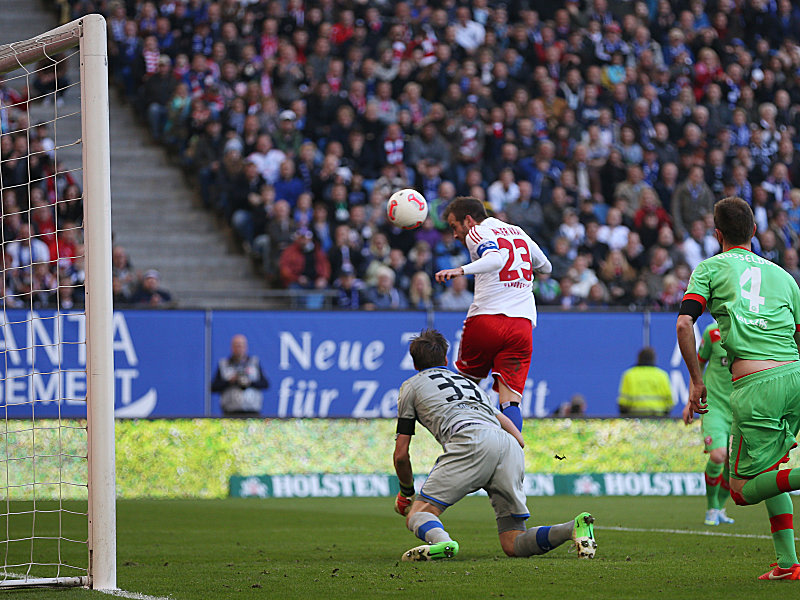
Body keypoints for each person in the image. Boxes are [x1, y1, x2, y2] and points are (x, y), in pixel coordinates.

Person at [392, 329, 596, 561]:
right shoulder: (469, 385)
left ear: (415, 363)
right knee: (513, 542)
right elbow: (514, 432)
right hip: (507, 444)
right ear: (446, 360)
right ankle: (573, 529)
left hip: (469, 439)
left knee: (418, 513)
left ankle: (442, 542)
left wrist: (406, 494)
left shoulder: (411, 386)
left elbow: (401, 454)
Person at [678, 196, 800, 580]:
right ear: (755, 232)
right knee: (772, 469)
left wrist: (697, 382)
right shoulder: (784, 276)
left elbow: (684, 324)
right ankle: (787, 563)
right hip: (794, 377)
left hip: (756, 386)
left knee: (741, 490)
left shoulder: (710, 268)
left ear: (717, 235)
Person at [434, 197, 552, 432]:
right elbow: (546, 267)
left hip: (487, 319)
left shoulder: (476, 232)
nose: (456, 234)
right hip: (522, 327)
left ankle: (461, 451)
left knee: (466, 388)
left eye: (454, 226)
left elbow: (495, 259)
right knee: (511, 400)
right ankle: (514, 457)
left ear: (468, 220)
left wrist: (461, 270)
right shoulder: (517, 232)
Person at [682, 321, 735, 527]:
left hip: (740, 407)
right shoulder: (712, 332)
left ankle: (721, 507)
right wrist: (690, 401)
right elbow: (697, 365)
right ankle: (712, 507)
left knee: (734, 463)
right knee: (718, 455)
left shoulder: (750, 329)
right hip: (714, 407)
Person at [210, 334, 269, 417]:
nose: (239, 348)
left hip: (252, 411)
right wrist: (230, 381)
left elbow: (265, 384)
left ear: (246, 347)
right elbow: (213, 387)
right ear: (232, 347)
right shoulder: (224, 364)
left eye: (241, 345)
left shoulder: (254, 363)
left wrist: (249, 382)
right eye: (236, 346)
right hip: (230, 411)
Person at [617, 347, 673, 416]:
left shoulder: (629, 375)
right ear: (654, 359)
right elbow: (669, 402)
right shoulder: (662, 375)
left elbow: (623, 402)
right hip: (658, 417)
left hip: (634, 418)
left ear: (638, 359)